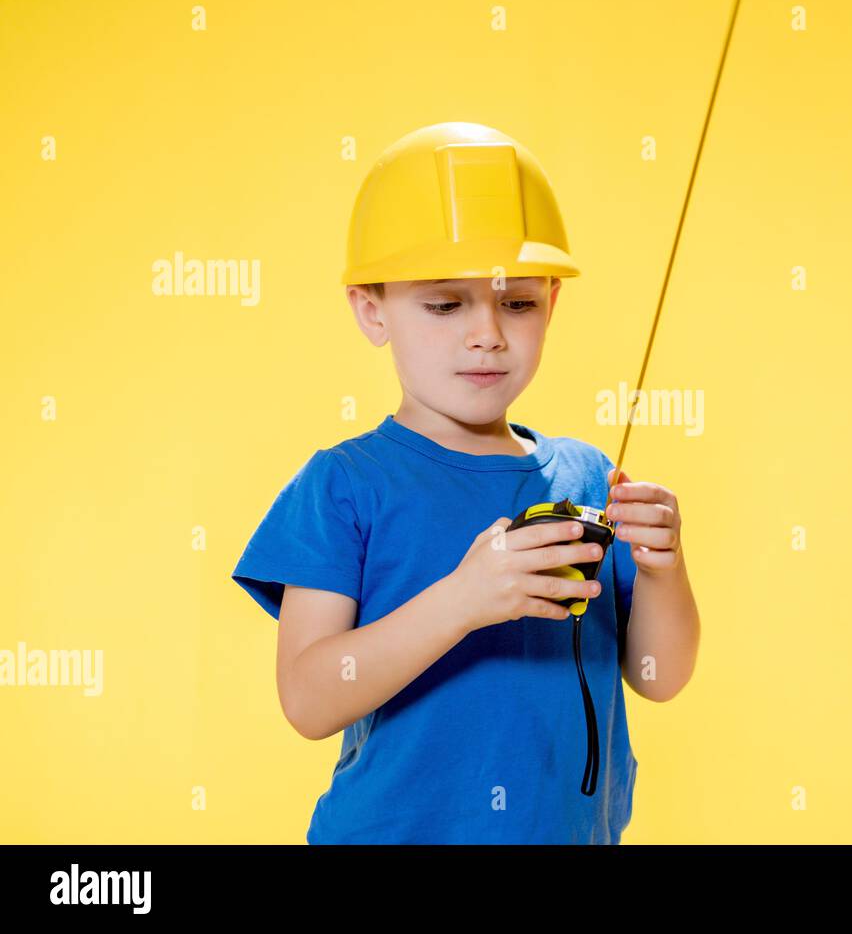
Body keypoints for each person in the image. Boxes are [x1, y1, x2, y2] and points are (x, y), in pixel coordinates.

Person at [231, 122, 700, 843]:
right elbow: (310, 700)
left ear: (551, 301)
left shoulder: (589, 477)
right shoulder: (344, 486)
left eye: (517, 304)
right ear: (372, 311)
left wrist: (664, 570)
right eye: (446, 304)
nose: (488, 333)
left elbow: (658, 676)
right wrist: (464, 600)